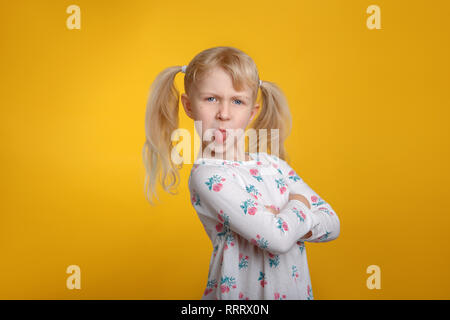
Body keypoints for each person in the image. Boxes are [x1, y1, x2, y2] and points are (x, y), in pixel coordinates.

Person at [142, 46, 340, 300]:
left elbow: (332, 223)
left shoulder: (273, 165)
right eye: (211, 99)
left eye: (237, 101)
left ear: (251, 113)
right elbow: (276, 239)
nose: (224, 113)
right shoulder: (209, 177)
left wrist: (284, 221)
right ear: (189, 106)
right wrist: (299, 205)